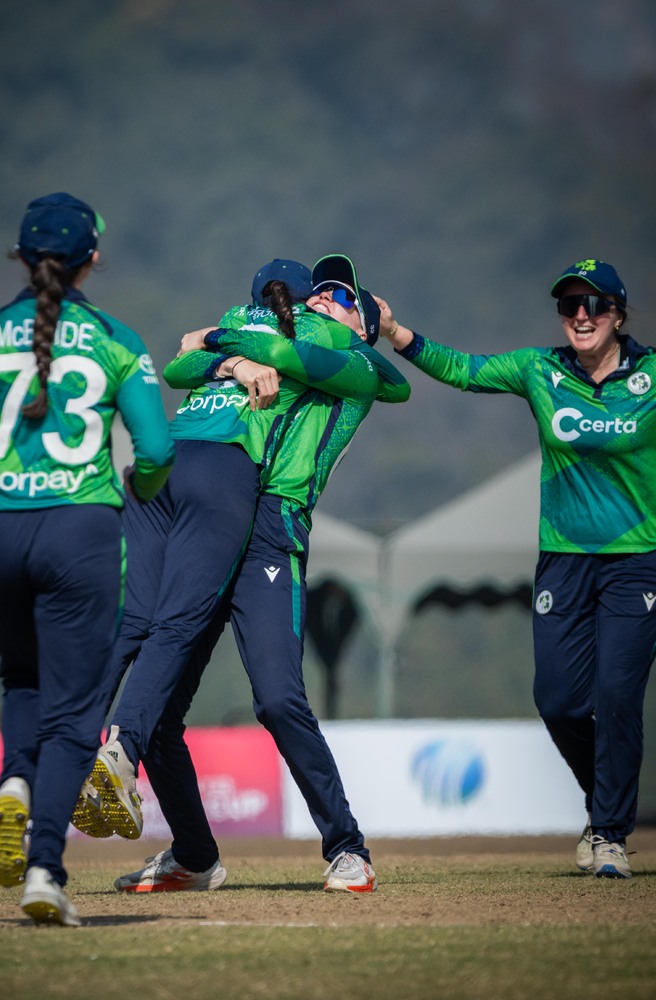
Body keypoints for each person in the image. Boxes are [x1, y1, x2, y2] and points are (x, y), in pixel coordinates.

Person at [79, 255, 410, 893]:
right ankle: (194, 857)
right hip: (220, 509)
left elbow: (345, 370)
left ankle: (348, 849)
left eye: (342, 296)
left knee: (279, 699)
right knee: (162, 708)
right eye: (320, 291)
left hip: (273, 532)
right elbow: (184, 366)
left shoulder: (356, 366)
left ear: (363, 324)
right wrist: (226, 359)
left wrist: (217, 338)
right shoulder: (276, 338)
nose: (323, 299)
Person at [0, 192, 175, 925]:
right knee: (74, 711)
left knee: (20, 677)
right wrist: (141, 490)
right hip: (80, 531)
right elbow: (156, 452)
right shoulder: (117, 341)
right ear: (92, 258)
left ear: (22, 257)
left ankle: (13, 785)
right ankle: (45, 870)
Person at [381, 257, 656, 879]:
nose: (580, 316)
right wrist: (396, 333)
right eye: (569, 305)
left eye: (593, 305)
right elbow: (462, 370)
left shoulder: (652, 375)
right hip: (562, 560)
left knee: (617, 696)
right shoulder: (539, 369)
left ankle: (611, 834)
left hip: (637, 563)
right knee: (558, 702)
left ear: (618, 313)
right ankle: (604, 803)